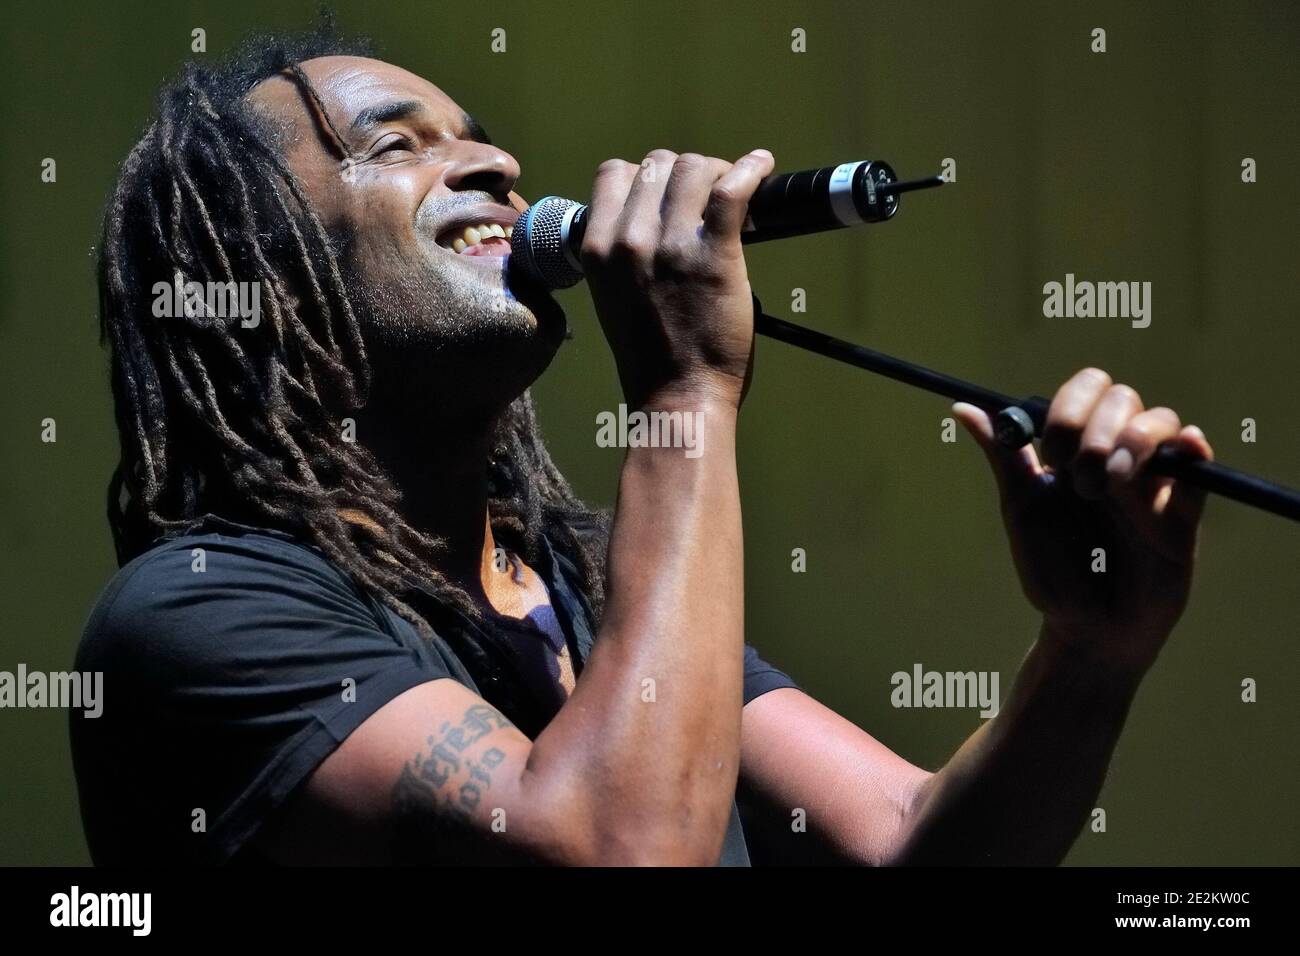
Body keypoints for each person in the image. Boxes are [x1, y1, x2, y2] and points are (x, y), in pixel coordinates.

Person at [72, 26, 1215, 865]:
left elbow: (911, 845)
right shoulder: (199, 615)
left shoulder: (587, 586)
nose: (492, 167)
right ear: (266, 272)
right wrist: (684, 391)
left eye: (479, 137)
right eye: (393, 145)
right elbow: (623, 851)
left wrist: (1087, 655)